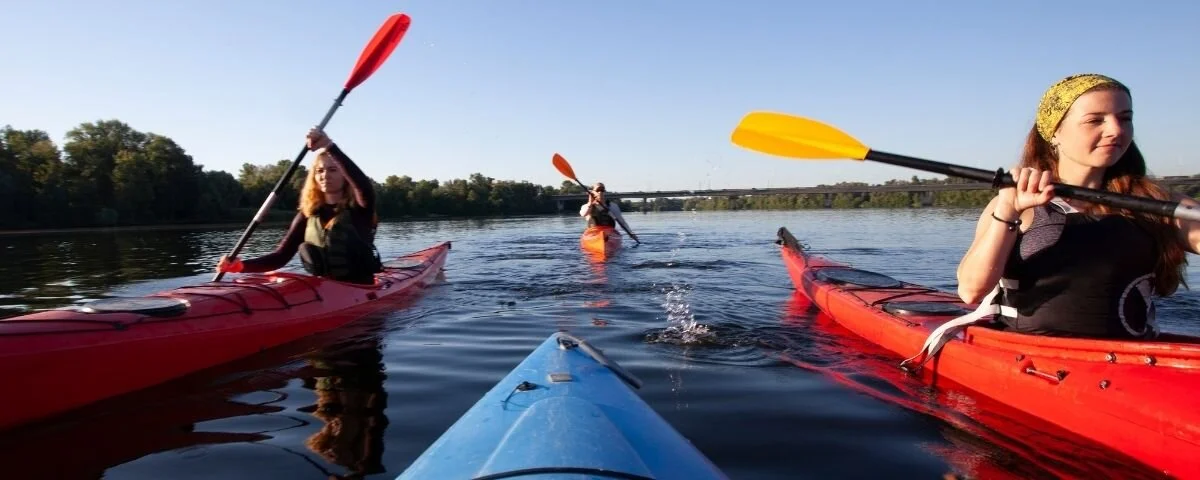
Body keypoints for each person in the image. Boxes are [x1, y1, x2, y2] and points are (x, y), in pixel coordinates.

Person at [955, 73, 1200, 339]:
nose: (1116, 130)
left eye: (1125, 118)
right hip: (1034, 361)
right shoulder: (1014, 205)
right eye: (1095, 120)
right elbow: (971, 290)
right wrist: (1007, 210)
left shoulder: (1156, 202)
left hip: (1134, 361)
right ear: (1054, 133)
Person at [217, 127, 382, 284]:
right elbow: (281, 257)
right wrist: (241, 266)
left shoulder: (360, 210)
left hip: (361, 287)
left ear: (345, 176)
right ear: (314, 177)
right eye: (320, 171)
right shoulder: (308, 214)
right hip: (324, 289)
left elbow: (363, 186)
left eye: (332, 170)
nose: (325, 175)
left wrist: (329, 146)